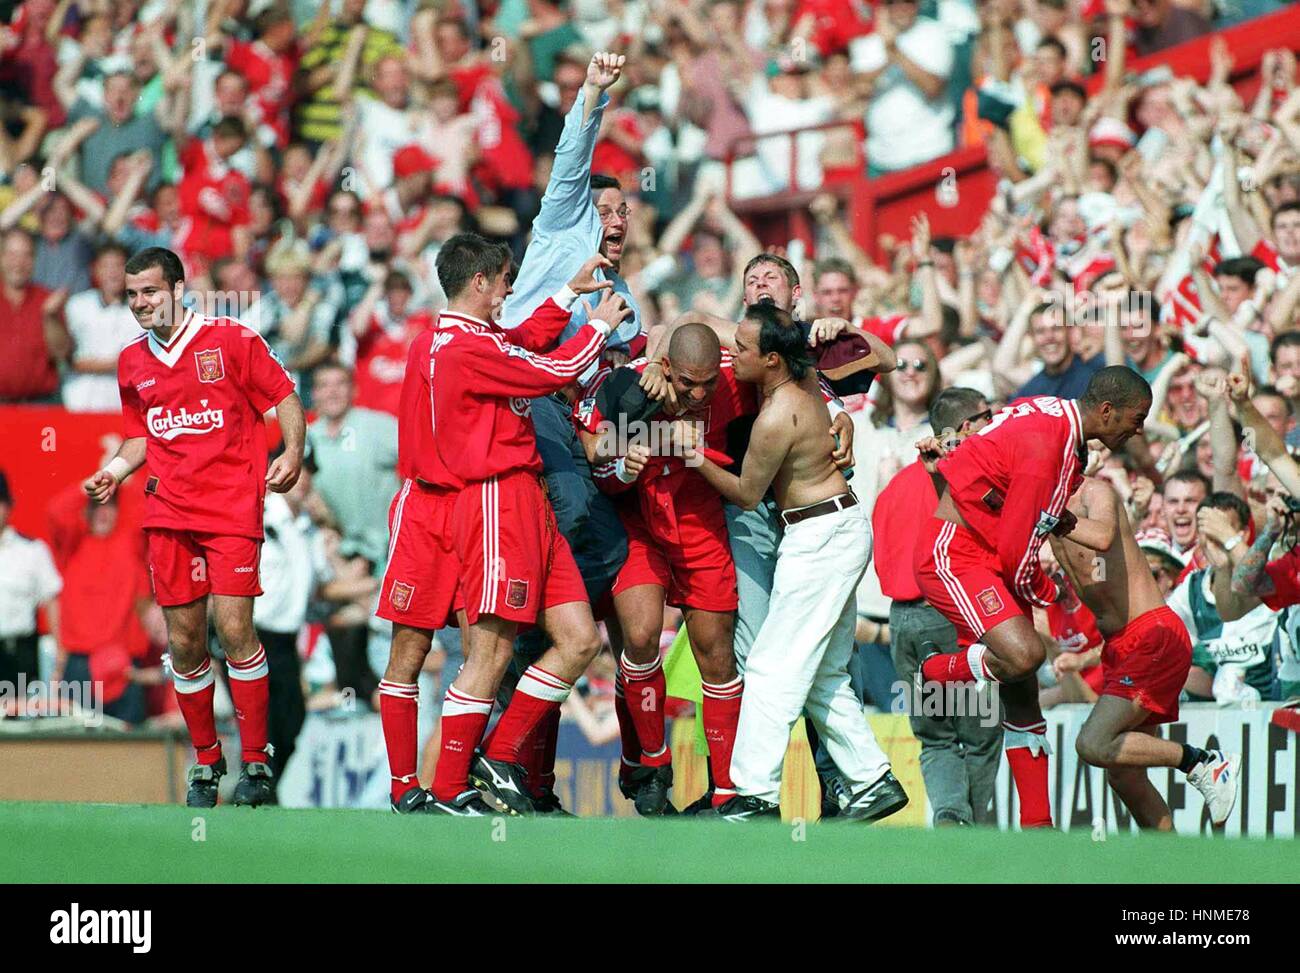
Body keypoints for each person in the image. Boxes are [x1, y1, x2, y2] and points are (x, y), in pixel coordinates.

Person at [375, 239, 614, 815]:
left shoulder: (465, 339)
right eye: (505, 279)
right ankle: (434, 786)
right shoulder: (460, 348)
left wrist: (566, 295)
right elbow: (548, 369)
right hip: (481, 502)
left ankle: (497, 754)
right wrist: (599, 326)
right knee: (467, 651)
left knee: (580, 640)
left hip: (505, 499)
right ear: (480, 281)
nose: (510, 289)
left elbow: (522, 344)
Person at [82, 246, 305, 808]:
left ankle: (256, 760)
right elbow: (142, 434)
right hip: (169, 512)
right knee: (184, 640)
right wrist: (113, 471)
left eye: (151, 292)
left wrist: (294, 452)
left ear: (179, 289)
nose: (141, 304)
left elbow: (284, 394)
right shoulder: (132, 361)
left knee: (233, 628)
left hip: (231, 507)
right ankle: (207, 763)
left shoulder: (232, 340)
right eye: (133, 294)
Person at [683, 303, 906, 822]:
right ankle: (874, 781)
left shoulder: (777, 415)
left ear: (774, 359)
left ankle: (755, 793)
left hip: (820, 536)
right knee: (825, 674)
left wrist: (695, 458)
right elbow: (876, 365)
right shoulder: (804, 379)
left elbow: (744, 493)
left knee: (769, 667)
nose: (731, 356)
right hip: (833, 528)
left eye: (741, 349)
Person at [914, 366, 1152, 829]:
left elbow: (993, 458)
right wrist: (1042, 589)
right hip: (957, 554)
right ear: (1106, 411)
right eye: (1136, 417)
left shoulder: (1051, 415)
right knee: (1024, 654)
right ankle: (934, 670)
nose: (1138, 428)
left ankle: (1039, 828)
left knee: (1023, 700)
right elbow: (1017, 547)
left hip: (986, 554)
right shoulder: (1052, 445)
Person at [1049, 475, 1239, 828]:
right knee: (1125, 778)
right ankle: (1171, 870)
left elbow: (1104, 536)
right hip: (1121, 646)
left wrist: (1046, 516)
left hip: (1152, 636)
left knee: (1093, 744)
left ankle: (1203, 762)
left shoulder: (1094, 492)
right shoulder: (1042, 501)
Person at [875, 387, 1002, 827]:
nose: (996, 422)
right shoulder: (970, 482)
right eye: (989, 416)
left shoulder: (894, 488)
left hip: (904, 623)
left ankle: (950, 816)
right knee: (980, 738)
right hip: (955, 617)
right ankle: (975, 832)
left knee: (936, 740)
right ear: (966, 427)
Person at [0, 470, 62, 689]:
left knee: (23, 719)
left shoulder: (32, 551)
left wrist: (60, 659)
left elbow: (52, 603)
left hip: (20, 655)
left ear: (9, 505)